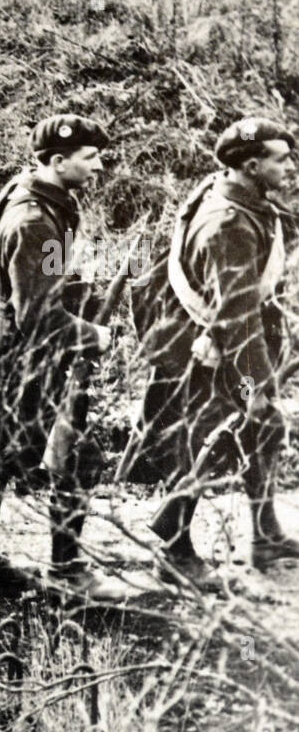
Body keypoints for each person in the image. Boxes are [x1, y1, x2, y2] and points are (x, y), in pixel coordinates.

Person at [126, 117, 299, 584]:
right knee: (203, 441)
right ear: (251, 164)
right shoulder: (229, 225)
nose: (290, 167)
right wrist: (256, 387)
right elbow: (238, 318)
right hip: (205, 348)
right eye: (281, 159)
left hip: (213, 336)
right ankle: (175, 552)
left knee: (259, 428)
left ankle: (265, 535)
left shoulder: (237, 194)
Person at [0, 114, 113, 594]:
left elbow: (39, 284)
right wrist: (93, 335)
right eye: (90, 158)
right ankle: (67, 571)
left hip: (7, 359)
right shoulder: (36, 220)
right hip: (24, 361)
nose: (99, 166)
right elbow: (39, 314)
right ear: (58, 161)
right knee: (78, 457)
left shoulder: (35, 197)